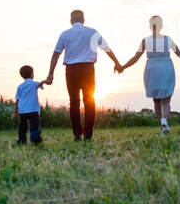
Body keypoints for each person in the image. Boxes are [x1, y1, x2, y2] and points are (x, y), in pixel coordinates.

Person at [43, 9, 122, 142]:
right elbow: (106, 48)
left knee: (74, 102)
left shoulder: (65, 34)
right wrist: (117, 62)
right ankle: (88, 134)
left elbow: (56, 54)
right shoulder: (92, 32)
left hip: (71, 70)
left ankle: (77, 134)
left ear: (71, 21)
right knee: (89, 101)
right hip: (88, 69)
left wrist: (50, 74)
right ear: (83, 20)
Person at [115, 15, 180, 134]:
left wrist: (123, 67)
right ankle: (164, 120)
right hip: (166, 69)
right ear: (161, 25)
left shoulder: (145, 41)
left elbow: (135, 58)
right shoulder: (168, 39)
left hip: (152, 70)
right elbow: (179, 54)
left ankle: (163, 125)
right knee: (166, 100)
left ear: (150, 26)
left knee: (156, 101)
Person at [13, 65, 44, 145]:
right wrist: (45, 81)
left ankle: (22, 140)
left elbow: (17, 100)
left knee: (22, 127)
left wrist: (15, 112)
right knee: (34, 126)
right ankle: (35, 140)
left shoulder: (20, 86)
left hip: (23, 110)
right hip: (33, 110)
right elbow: (40, 85)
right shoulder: (34, 84)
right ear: (32, 74)